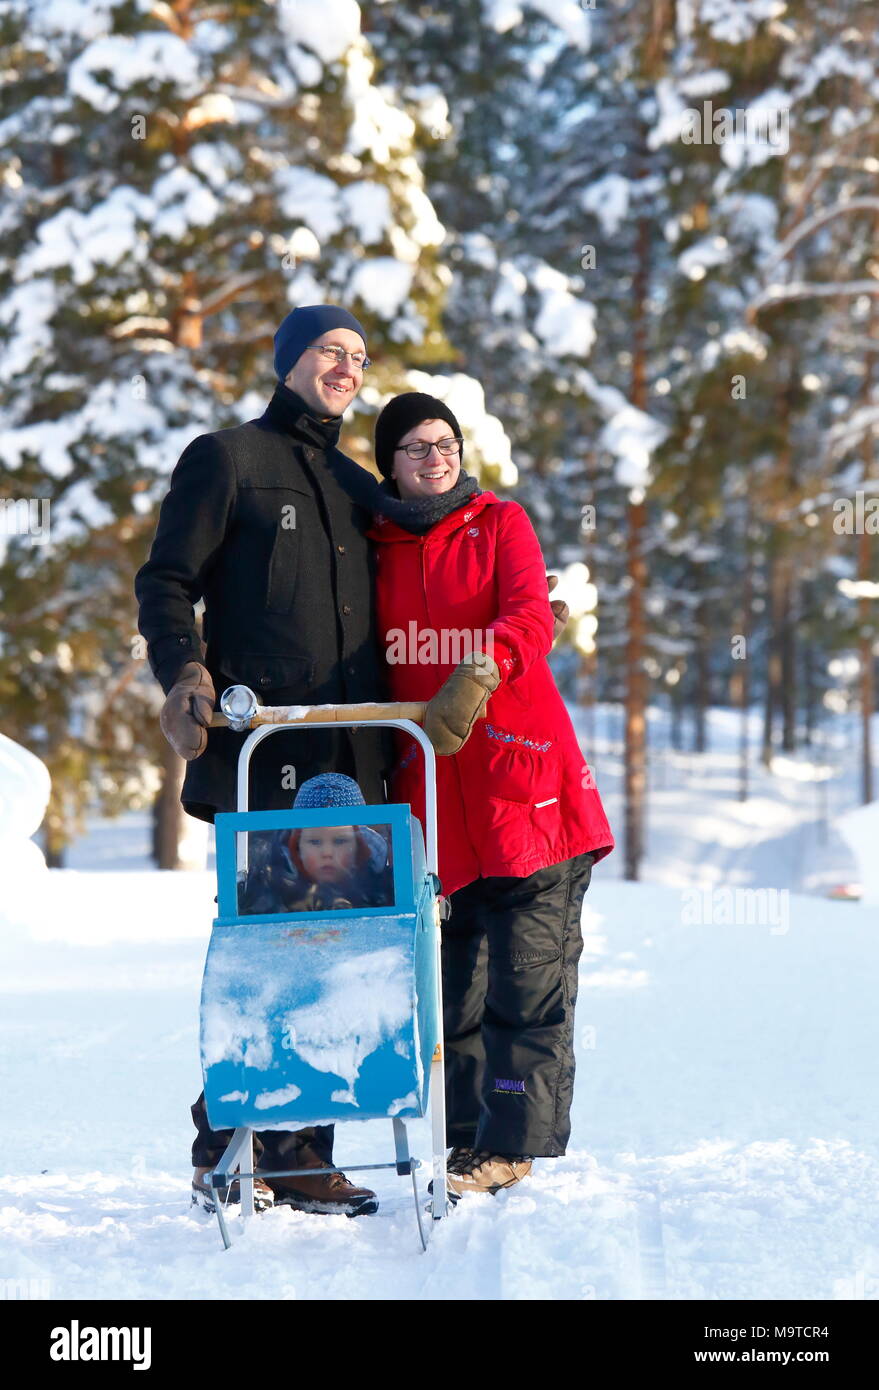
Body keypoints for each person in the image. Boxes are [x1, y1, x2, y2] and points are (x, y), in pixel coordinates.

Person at [135, 302, 571, 1217]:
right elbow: (166, 579)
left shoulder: (353, 482)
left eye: (357, 354)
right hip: (267, 755)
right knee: (265, 947)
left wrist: (522, 624)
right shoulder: (228, 459)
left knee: (341, 956)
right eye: (328, 349)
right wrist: (183, 673)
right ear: (289, 359)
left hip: (363, 759)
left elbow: (450, 540)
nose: (345, 364)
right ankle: (230, 1143)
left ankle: (299, 1155)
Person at [366, 392, 615, 1200]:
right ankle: (467, 1142)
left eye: (444, 443)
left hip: (527, 793)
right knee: (453, 997)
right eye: (413, 447)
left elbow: (529, 618)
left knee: (526, 986)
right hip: (435, 809)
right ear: (387, 464)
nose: (433, 457)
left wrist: (480, 668)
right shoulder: (373, 549)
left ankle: (510, 1146)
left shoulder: (499, 522)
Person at [239, 772, 393, 915]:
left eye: (340, 840)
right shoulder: (274, 890)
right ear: (297, 846)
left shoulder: (382, 890)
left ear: (359, 845)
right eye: (315, 841)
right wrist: (249, 901)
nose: (327, 852)